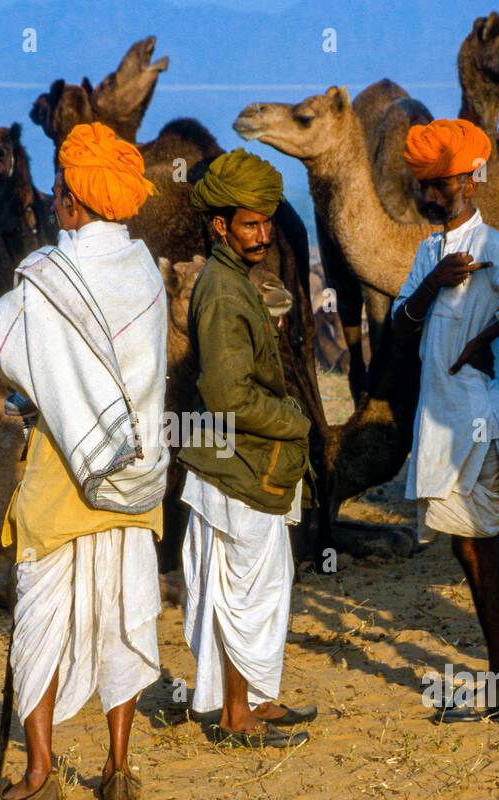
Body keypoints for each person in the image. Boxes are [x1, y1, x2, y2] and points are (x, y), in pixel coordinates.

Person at [0, 122, 168, 800]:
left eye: (61, 193)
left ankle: (39, 773)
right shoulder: (147, 275)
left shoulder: (44, 279)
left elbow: (13, 350)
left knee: (40, 617)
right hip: (135, 473)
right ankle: (118, 768)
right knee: (125, 613)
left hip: (61, 471)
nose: (56, 204)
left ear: (75, 203)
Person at [389, 119, 499, 722]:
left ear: (467, 181)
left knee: (480, 549)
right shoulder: (427, 253)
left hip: (478, 418)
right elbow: (399, 322)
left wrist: (494, 332)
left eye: (440, 184)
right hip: (441, 417)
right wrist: (433, 286)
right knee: (468, 551)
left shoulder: (493, 247)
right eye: (425, 185)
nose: (430, 195)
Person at [179, 148, 317, 748]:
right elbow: (228, 395)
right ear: (220, 226)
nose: (262, 235)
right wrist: (296, 421)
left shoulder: (234, 280)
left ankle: (256, 700)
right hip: (239, 466)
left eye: (266, 223)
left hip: (243, 464)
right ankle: (237, 716)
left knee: (258, 586)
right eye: (249, 225)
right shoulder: (224, 292)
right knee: (240, 592)